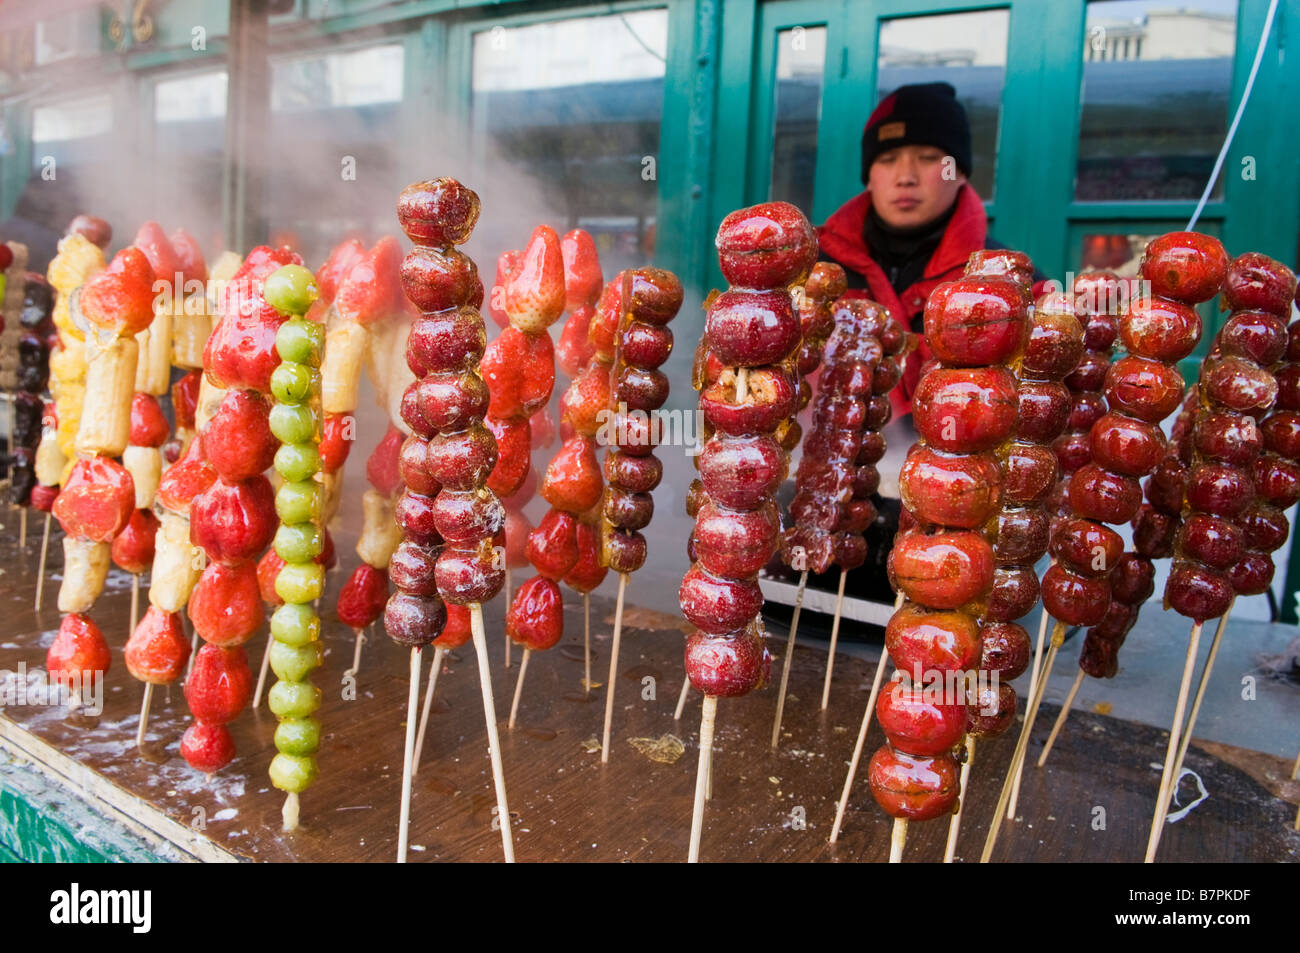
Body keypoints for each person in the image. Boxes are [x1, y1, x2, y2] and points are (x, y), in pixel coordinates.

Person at [818, 81, 1041, 414]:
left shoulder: (1009, 285)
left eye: (928, 158)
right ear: (869, 176)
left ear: (959, 171)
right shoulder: (814, 269)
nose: (905, 176)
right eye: (888, 159)